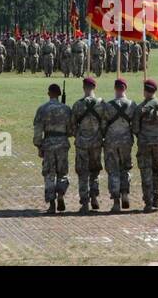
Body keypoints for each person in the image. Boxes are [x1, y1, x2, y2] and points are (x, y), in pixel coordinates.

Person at [33, 83, 72, 214]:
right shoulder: (66, 109)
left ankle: (52, 203)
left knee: (50, 174)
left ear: (49, 93)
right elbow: (71, 130)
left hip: (49, 144)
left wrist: (39, 145)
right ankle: (61, 195)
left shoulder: (42, 109)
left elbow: (38, 130)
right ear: (60, 94)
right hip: (62, 143)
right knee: (62, 172)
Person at [131, 79, 158, 213]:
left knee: (146, 172)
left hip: (145, 144)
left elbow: (135, 128)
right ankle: (156, 198)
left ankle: (148, 201)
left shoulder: (140, 108)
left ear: (145, 91)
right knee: (157, 170)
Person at [100, 78, 136, 212]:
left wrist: (105, 136)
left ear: (115, 88)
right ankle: (125, 194)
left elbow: (103, 125)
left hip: (111, 141)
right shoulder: (132, 105)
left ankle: (116, 201)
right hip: (126, 141)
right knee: (125, 168)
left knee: (113, 170)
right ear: (125, 88)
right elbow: (136, 124)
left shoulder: (108, 106)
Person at [71, 77, 105, 212]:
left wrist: (79, 135)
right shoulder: (101, 104)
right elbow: (104, 124)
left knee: (82, 173)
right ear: (94, 87)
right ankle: (94, 196)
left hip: (82, 143)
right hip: (96, 142)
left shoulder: (77, 105)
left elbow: (72, 126)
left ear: (83, 87)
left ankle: (84, 202)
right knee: (95, 172)